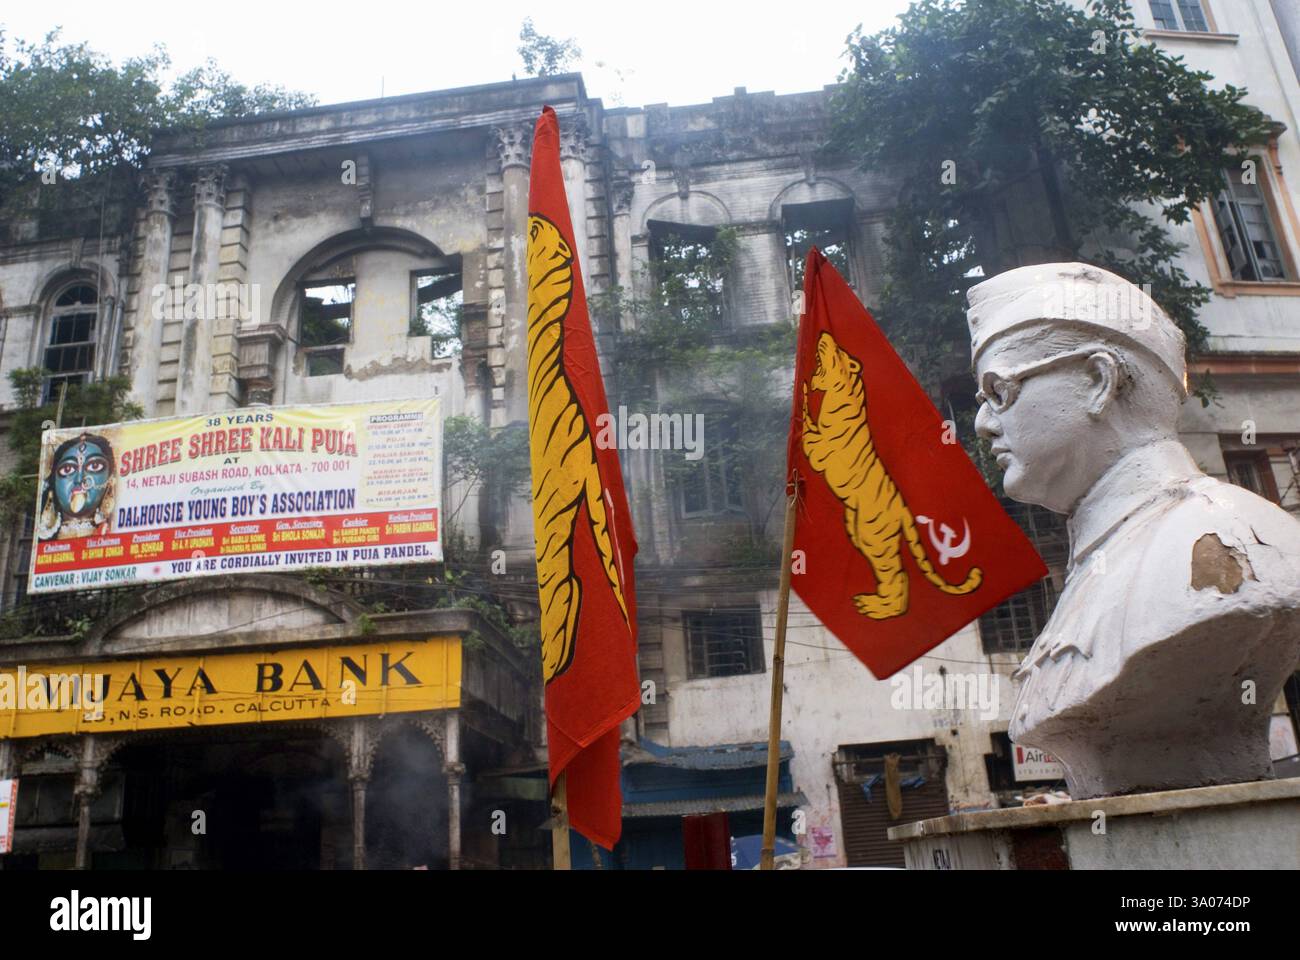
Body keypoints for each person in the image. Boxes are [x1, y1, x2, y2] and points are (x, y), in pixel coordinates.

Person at [967, 262, 1300, 798]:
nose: (982, 423)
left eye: (998, 390)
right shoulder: (1100, 556)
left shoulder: (1225, 536)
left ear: (1099, 381)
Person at [37, 432, 117, 541]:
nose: (79, 479)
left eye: (94, 466)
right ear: (53, 480)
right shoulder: (41, 543)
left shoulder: (117, 534)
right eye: (67, 469)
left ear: (110, 478)